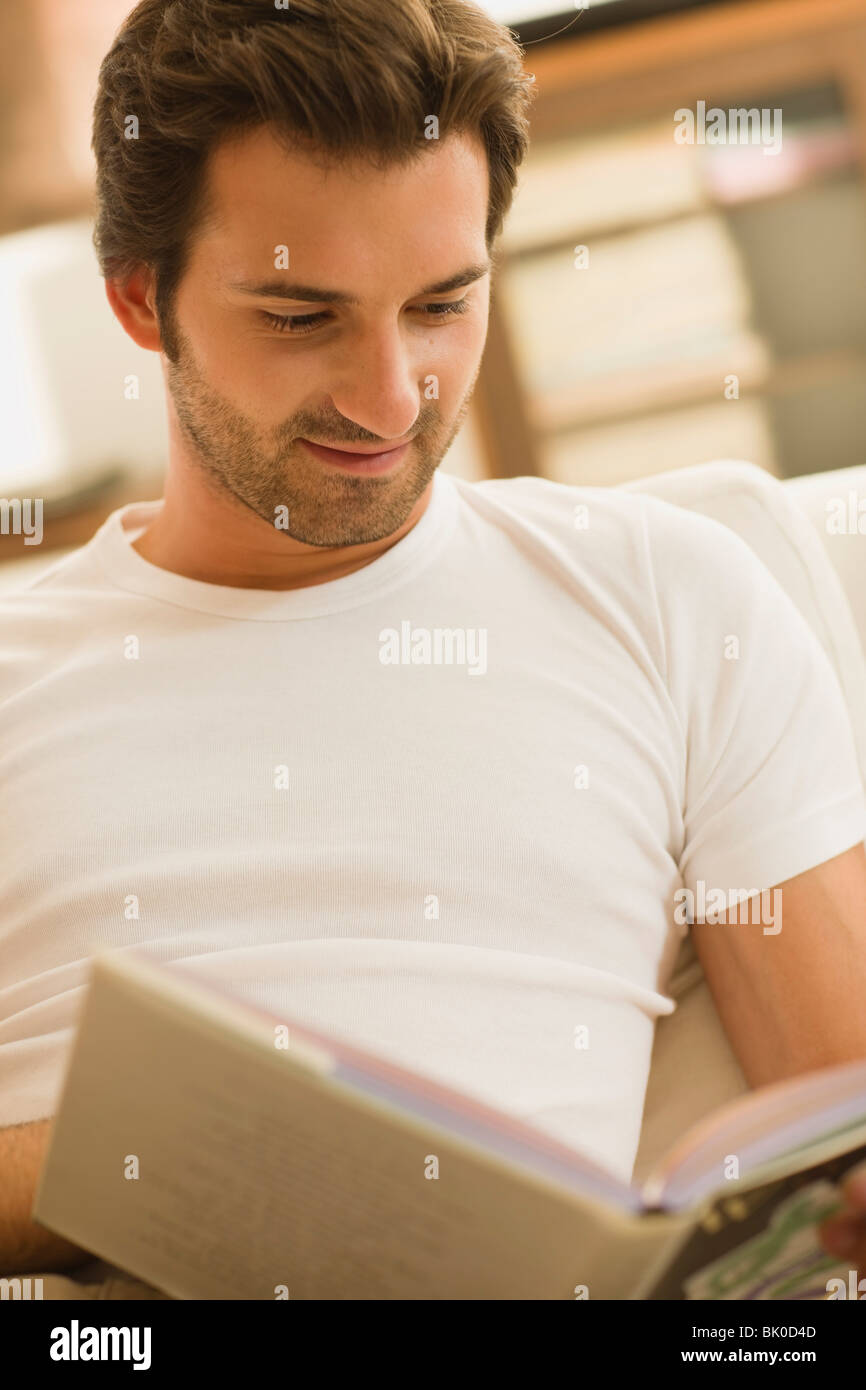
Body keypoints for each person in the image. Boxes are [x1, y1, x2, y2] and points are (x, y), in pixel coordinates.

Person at [2, 0, 865, 1292]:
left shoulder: (669, 598)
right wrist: (145, 1157)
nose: (387, 395)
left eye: (441, 303)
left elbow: (835, 1115)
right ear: (141, 297)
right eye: (302, 317)